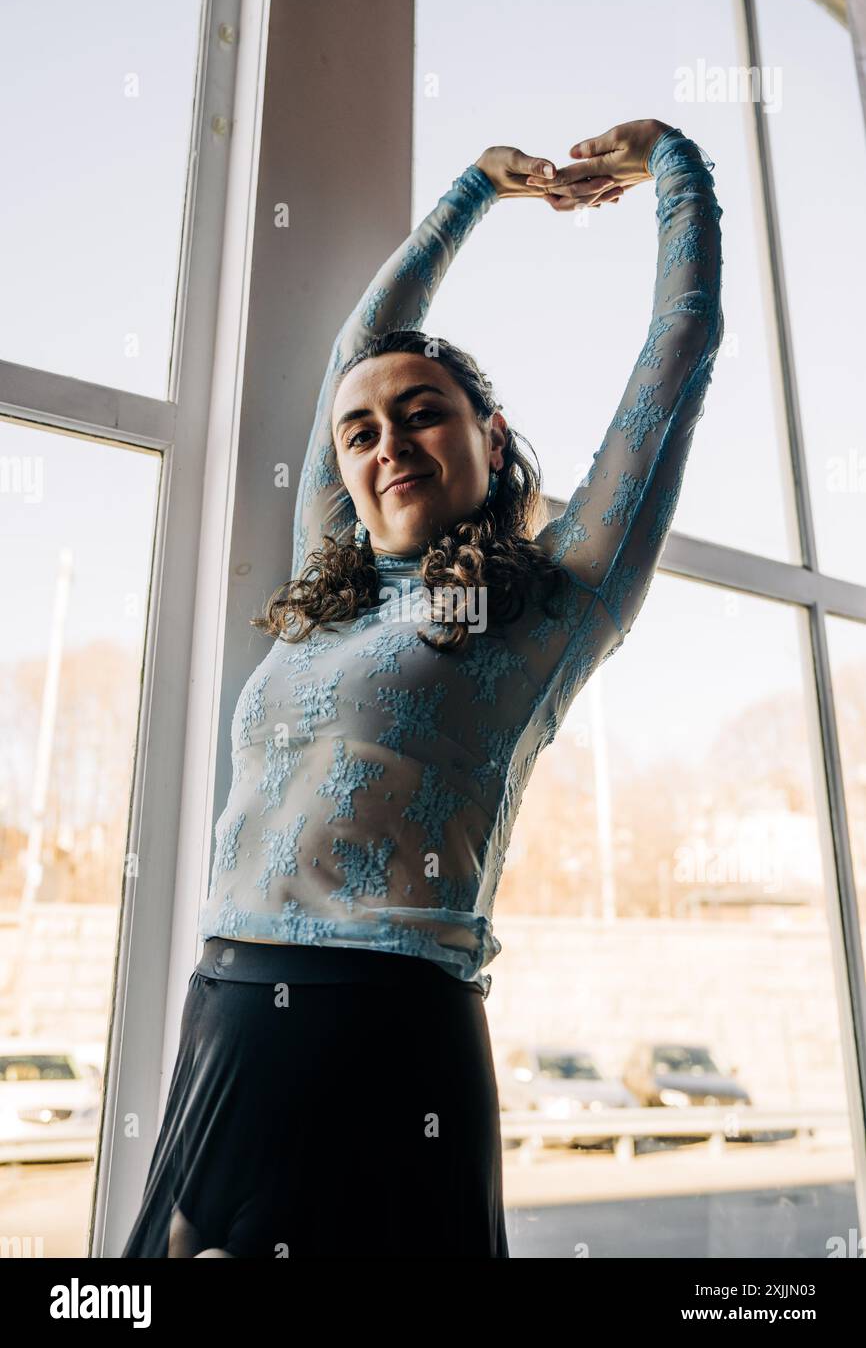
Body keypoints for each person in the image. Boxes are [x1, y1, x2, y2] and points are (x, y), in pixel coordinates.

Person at [120, 118, 723, 1258]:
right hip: (224, 1019)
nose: (384, 442)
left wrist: (672, 166)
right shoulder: (328, 587)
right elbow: (362, 347)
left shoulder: (556, 601)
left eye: (421, 413)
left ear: (490, 441)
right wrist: (468, 193)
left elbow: (677, 352)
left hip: (385, 1043)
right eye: (358, 432)